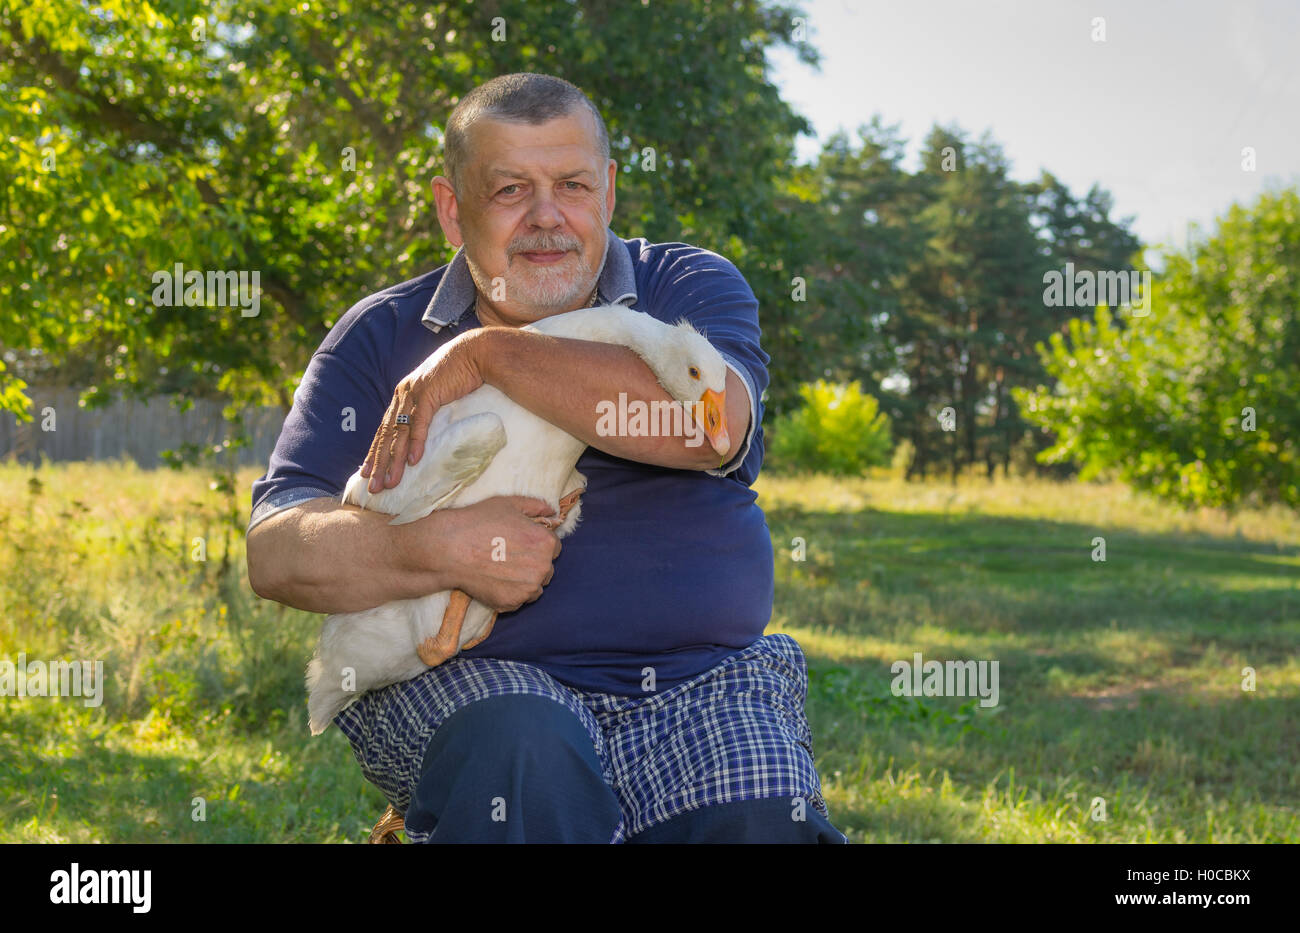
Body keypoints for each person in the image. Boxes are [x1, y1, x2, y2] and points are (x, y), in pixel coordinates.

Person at [246, 72, 846, 844]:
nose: (547, 217)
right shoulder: (377, 334)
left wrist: (489, 354)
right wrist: (430, 549)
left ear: (609, 191)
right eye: (509, 191)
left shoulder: (689, 283)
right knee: (522, 754)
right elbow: (275, 552)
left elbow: (710, 429)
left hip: (703, 679)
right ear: (450, 207)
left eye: (572, 184)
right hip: (477, 683)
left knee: (760, 820)